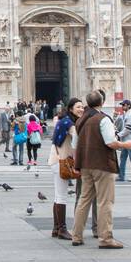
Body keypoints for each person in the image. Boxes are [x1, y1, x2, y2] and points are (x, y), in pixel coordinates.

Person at [69, 90, 131, 249]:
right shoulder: (103, 119)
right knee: (105, 201)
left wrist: (76, 164)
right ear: (102, 102)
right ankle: (105, 238)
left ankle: (76, 236)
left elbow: (74, 146)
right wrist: (125, 145)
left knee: (83, 200)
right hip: (102, 165)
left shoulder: (80, 120)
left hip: (85, 165)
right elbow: (110, 142)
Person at [48, 98, 79, 240]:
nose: (81, 109)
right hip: (62, 161)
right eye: (78, 107)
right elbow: (76, 141)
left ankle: (56, 228)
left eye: (83, 107)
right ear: (71, 108)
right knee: (62, 196)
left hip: (55, 159)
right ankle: (62, 229)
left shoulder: (63, 121)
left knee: (57, 195)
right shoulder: (70, 124)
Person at [115, 101, 131, 182]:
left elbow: (128, 129)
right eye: (122, 105)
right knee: (123, 158)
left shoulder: (130, 115)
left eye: (124, 105)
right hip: (126, 141)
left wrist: (119, 135)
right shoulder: (125, 115)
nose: (122, 106)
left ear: (128, 106)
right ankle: (121, 175)